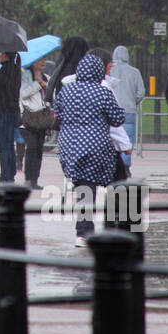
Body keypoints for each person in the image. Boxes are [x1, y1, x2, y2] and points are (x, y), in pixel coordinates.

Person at [54, 52, 126, 245]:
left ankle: (83, 232)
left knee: (84, 188)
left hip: (70, 147)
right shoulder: (102, 92)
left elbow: (57, 114)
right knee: (113, 185)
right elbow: (117, 119)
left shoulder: (66, 91)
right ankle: (111, 227)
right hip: (97, 147)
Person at [0, 50, 24, 183]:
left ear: (5, 55)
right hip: (13, 112)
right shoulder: (16, 71)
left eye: (0, 53)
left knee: (4, 146)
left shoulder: (4, 71)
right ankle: (10, 174)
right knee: (9, 145)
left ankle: (5, 177)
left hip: (3, 112)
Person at [20, 57, 51, 187]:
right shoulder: (26, 76)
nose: (44, 62)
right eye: (40, 60)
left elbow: (51, 95)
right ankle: (28, 179)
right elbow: (24, 94)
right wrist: (37, 83)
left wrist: (45, 85)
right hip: (29, 118)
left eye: (45, 59)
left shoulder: (47, 77)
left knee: (39, 149)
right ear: (33, 61)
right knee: (31, 147)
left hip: (42, 118)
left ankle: (35, 180)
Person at [110, 46, 146, 153]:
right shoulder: (135, 72)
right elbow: (141, 92)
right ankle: (126, 165)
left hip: (112, 110)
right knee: (128, 140)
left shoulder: (109, 70)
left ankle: (115, 166)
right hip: (129, 110)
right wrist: (133, 101)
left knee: (113, 140)